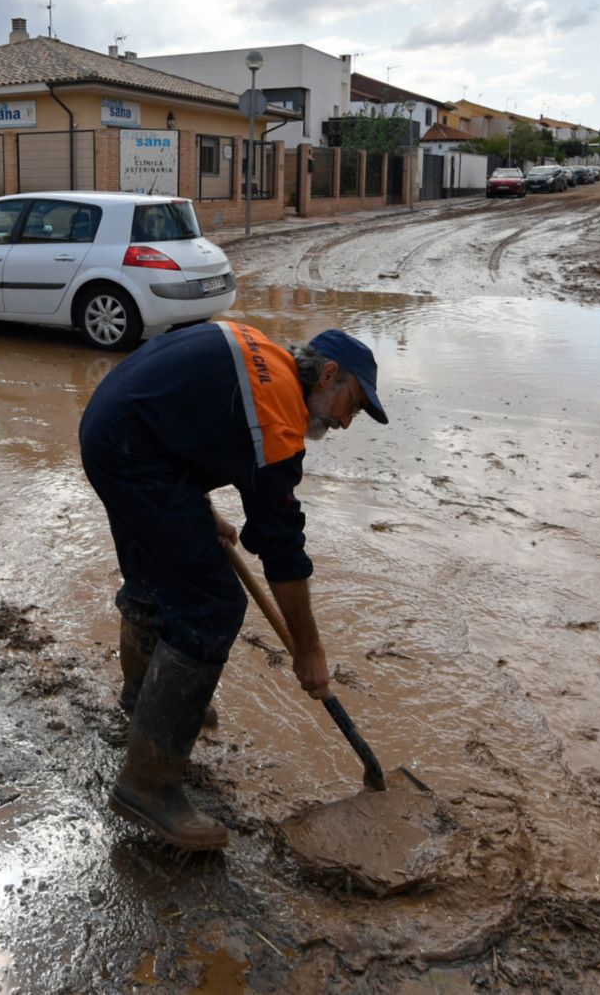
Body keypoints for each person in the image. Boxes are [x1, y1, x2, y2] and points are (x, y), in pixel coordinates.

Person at [79, 321, 387, 851]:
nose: (346, 422)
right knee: (213, 602)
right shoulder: (280, 422)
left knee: (158, 573)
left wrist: (198, 507)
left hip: (114, 430)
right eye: (352, 406)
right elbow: (280, 549)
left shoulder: (261, 350)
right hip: (133, 456)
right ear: (329, 374)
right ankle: (148, 784)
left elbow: (189, 415)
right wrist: (309, 650)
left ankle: (144, 702)